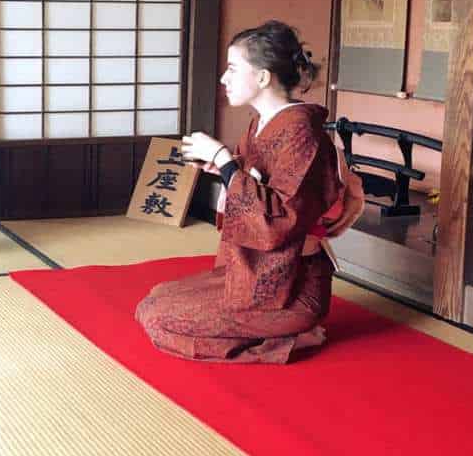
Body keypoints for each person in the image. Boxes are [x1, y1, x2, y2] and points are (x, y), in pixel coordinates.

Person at [136, 20, 363, 364]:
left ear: (262, 77)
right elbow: (253, 193)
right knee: (153, 301)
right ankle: (280, 335)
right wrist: (225, 170)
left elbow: (278, 222)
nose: (223, 79)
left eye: (232, 68)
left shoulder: (301, 132)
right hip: (257, 272)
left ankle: (291, 337)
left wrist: (226, 163)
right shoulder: (261, 123)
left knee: (160, 319)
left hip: (292, 288)